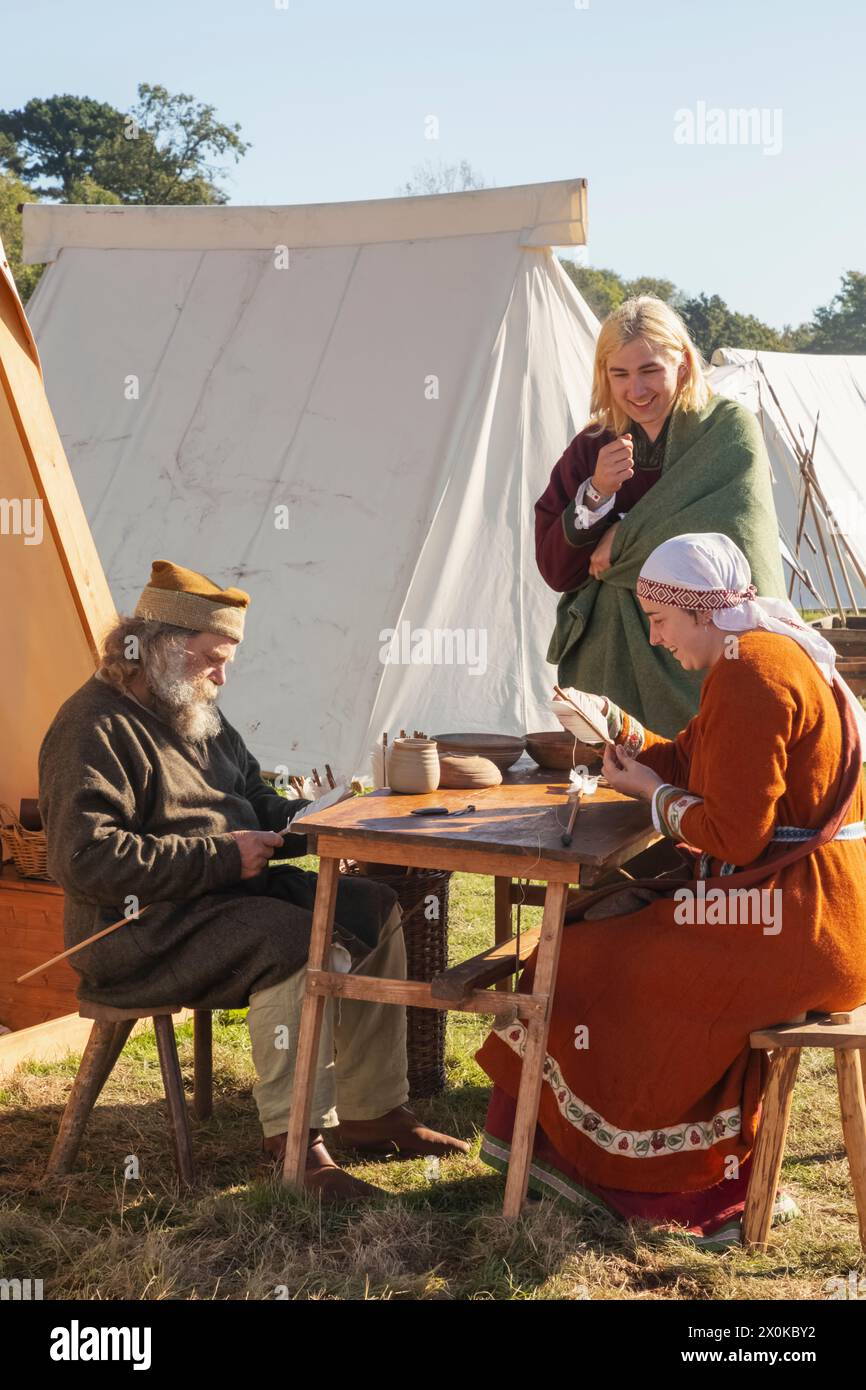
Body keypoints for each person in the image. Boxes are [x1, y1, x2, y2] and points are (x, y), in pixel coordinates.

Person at [476, 533, 866, 1248]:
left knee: (580, 961)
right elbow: (694, 758)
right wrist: (618, 735)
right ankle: (670, 1174)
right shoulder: (754, 657)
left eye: (660, 622)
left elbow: (733, 835)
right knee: (598, 933)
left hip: (792, 923)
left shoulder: (755, 672)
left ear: (700, 609)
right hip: (805, 913)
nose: (656, 640)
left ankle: (676, 1193)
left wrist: (654, 797)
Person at [38, 559, 468, 1202]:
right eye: (212, 657)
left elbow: (251, 798)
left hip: (218, 902)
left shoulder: (193, 710)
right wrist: (220, 858)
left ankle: (373, 1111)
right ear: (157, 647)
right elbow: (85, 861)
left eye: (227, 659)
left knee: (371, 905)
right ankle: (297, 1146)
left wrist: (319, 818)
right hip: (136, 929)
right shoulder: (93, 727)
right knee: (292, 938)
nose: (221, 674)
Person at [535, 296, 786, 737]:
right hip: (608, 664)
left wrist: (623, 538)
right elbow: (557, 568)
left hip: (699, 663)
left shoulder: (727, 431)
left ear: (683, 366)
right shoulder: (593, 446)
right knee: (611, 796)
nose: (637, 389)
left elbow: (733, 542)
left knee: (711, 777)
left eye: (650, 370)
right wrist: (595, 496)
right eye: (620, 374)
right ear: (604, 376)